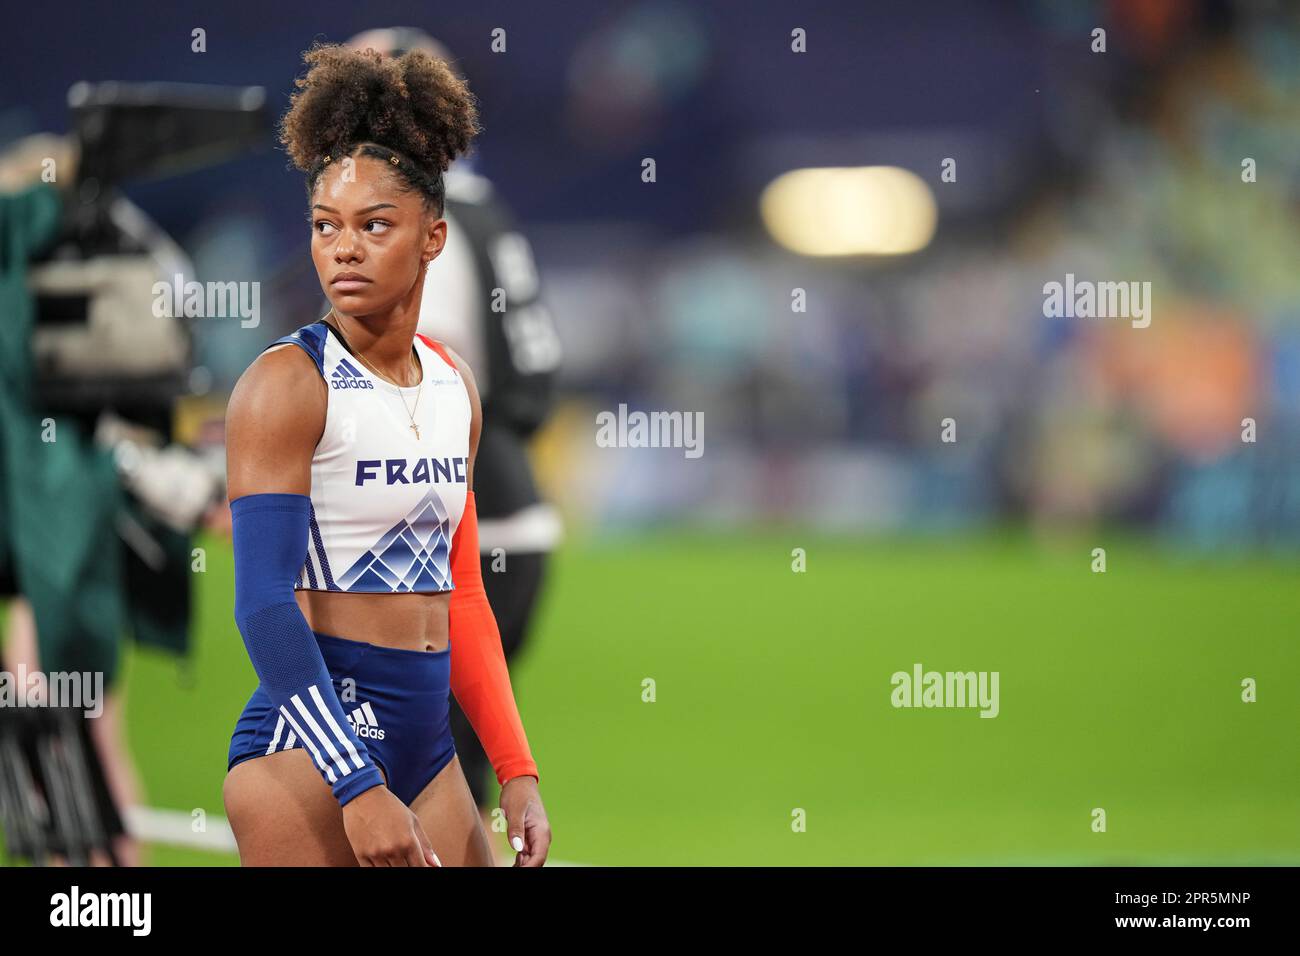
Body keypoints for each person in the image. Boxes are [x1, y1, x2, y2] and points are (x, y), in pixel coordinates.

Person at [220, 43, 550, 866]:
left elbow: (464, 593)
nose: (344, 248)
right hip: (310, 751)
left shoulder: (454, 387)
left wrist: (514, 769)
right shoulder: (285, 386)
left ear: (433, 237)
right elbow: (264, 603)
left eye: (375, 226)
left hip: (425, 746)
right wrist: (357, 786)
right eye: (325, 226)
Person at [344, 25, 562, 855]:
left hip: (451, 522)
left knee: (417, 775)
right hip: (511, 510)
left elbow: (415, 381)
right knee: (442, 767)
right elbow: (532, 379)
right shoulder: (479, 202)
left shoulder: (413, 221)